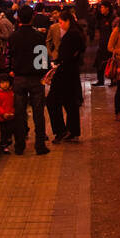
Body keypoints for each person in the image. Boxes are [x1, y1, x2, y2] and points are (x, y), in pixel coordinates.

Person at [7, 4, 50, 156]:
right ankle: (40, 145)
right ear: (32, 17)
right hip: (35, 78)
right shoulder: (38, 36)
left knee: (19, 112)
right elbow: (43, 59)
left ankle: (19, 146)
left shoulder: (13, 37)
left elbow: (9, 57)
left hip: (18, 78)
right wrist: (43, 73)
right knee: (38, 112)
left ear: (18, 18)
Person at [48, 8, 86, 141]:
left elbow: (66, 55)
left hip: (65, 73)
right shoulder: (76, 33)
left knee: (53, 101)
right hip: (70, 72)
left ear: (68, 21)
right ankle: (72, 130)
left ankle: (62, 130)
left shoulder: (72, 35)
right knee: (70, 102)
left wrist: (57, 63)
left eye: (61, 22)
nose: (60, 25)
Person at [0, 73, 15, 154]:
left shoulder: (11, 92)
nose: (5, 85)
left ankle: (7, 141)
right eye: (2, 83)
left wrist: (12, 112)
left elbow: (13, 104)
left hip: (11, 116)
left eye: (6, 82)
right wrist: (3, 113)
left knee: (10, 130)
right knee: (4, 131)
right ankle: (4, 145)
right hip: (2, 117)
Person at [93, 0, 114, 85]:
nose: (101, 9)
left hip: (110, 45)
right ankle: (100, 80)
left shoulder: (112, 18)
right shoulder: (100, 18)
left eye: (102, 7)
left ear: (107, 8)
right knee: (99, 62)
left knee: (111, 63)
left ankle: (113, 80)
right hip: (102, 44)